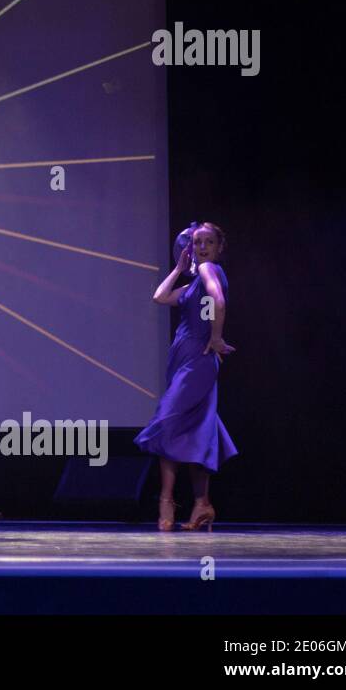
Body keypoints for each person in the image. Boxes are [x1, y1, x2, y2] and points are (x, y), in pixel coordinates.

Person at [137, 222, 237, 531]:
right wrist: (180, 267)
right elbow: (159, 296)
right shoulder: (195, 282)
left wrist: (217, 337)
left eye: (208, 242)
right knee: (197, 429)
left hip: (197, 359)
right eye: (196, 243)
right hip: (187, 360)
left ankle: (166, 500)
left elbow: (218, 301)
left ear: (220, 248)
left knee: (168, 422)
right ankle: (202, 504)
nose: (202, 247)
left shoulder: (209, 271)